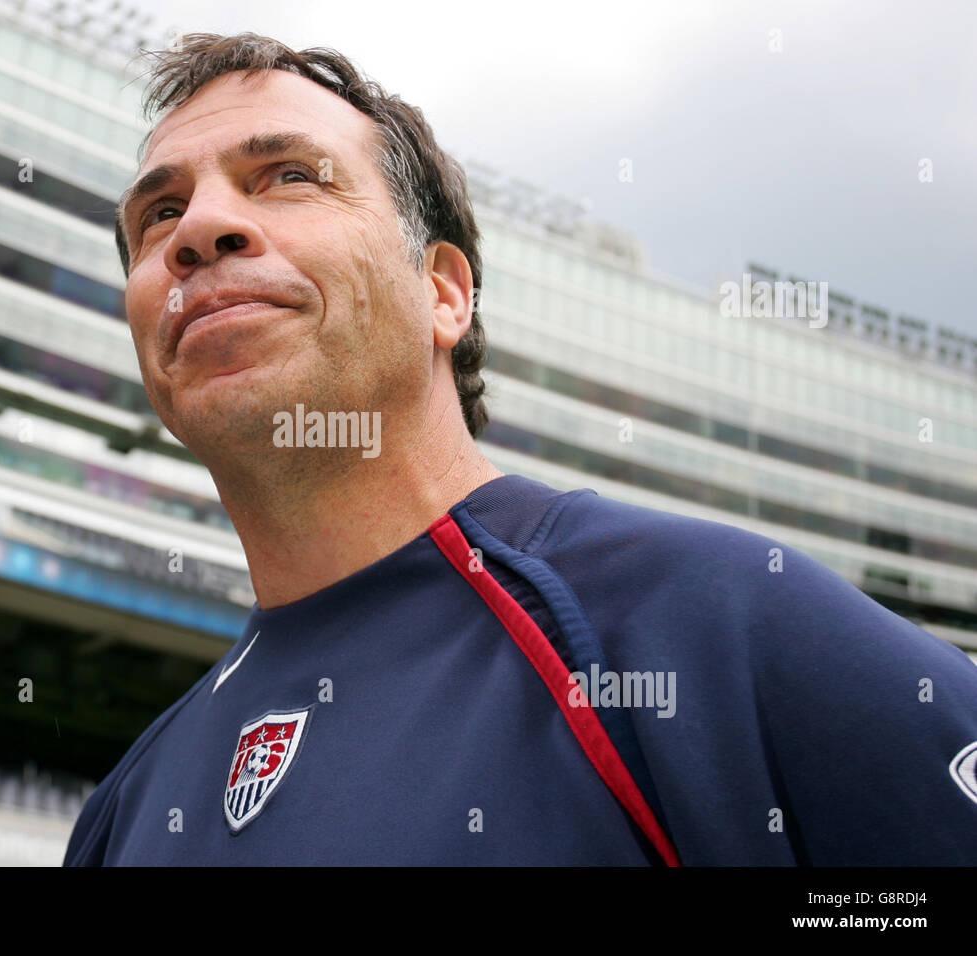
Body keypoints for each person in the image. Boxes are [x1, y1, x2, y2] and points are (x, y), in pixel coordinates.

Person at [64, 32, 977, 865]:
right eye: (159, 213)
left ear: (445, 294)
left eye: (289, 177)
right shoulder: (123, 816)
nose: (195, 230)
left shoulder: (715, 624)